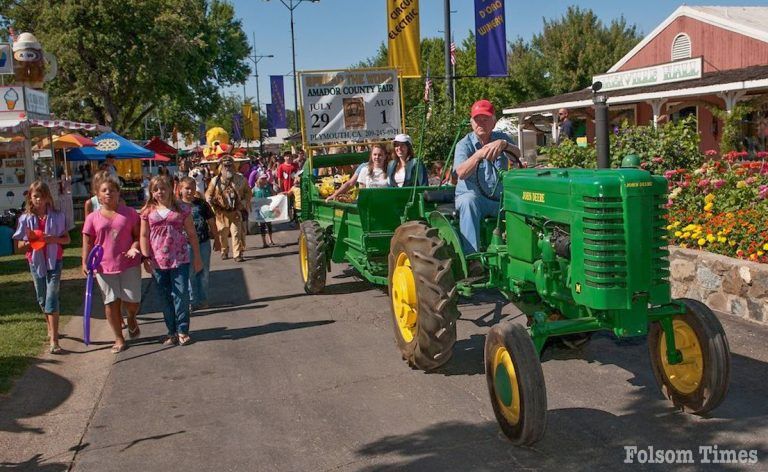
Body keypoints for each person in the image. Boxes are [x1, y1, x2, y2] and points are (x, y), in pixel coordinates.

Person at [453, 99, 520, 273]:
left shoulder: (501, 138)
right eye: (477, 119)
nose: (481, 123)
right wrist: (479, 154)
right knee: (469, 201)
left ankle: (522, 256)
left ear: (494, 121)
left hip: (499, 200)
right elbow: (460, 172)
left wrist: (504, 145)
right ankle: (473, 259)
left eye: (485, 119)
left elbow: (518, 155)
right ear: (471, 122)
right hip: (475, 200)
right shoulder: (464, 144)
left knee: (524, 202)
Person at [82, 174, 142, 353]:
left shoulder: (130, 213)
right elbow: (87, 240)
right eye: (104, 190)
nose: (109, 193)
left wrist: (135, 247)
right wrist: (85, 261)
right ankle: (119, 338)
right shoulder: (92, 217)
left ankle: (131, 317)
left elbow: (138, 236)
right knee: (110, 302)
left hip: (129, 263)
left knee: (132, 301)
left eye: (112, 190)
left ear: (118, 193)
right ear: (98, 195)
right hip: (103, 266)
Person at [140, 176, 202, 346]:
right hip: (158, 261)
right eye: (156, 189)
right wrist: (145, 257)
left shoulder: (182, 209)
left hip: (180, 258)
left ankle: (183, 330)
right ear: (152, 192)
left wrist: (197, 257)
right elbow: (144, 235)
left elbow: (191, 234)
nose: (160, 192)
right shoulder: (147, 211)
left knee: (181, 295)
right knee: (165, 297)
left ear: (170, 189)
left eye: (163, 188)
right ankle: (171, 332)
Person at [13, 181, 70, 354]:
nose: (38, 199)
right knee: (42, 298)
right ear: (30, 197)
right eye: (35, 196)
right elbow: (19, 247)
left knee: (52, 297)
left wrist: (53, 239)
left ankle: (54, 340)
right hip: (35, 261)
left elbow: (66, 239)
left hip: (55, 260)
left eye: (41, 196)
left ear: (47, 198)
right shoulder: (25, 219)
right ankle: (50, 326)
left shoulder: (58, 216)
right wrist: (31, 241)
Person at [179, 177, 218, 310]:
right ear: (180, 189)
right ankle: (192, 300)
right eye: (186, 188)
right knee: (189, 273)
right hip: (185, 245)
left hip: (203, 243)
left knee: (204, 272)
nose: (190, 191)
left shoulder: (202, 204)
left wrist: (217, 239)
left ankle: (203, 299)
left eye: (192, 188)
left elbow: (212, 222)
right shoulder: (177, 206)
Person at [205, 155, 251, 262]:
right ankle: (224, 251)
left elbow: (248, 192)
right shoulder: (215, 180)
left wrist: (244, 202)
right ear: (221, 166)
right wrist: (209, 199)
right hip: (221, 213)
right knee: (222, 233)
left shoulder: (241, 179)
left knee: (236, 233)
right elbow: (208, 193)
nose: (228, 167)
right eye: (225, 165)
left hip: (235, 211)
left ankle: (237, 254)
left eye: (230, 165)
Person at [252, 174, 276, 248]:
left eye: (265, 178)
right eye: (262, 178)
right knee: (262, 226)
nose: (264, 180)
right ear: (259, 179)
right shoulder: (254, 189)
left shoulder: (268, 187)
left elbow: (274, 194)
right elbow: (250, 197)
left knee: (269, 224)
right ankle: (264, 242)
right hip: (259, 210)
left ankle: (271, 240)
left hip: (268, 208)